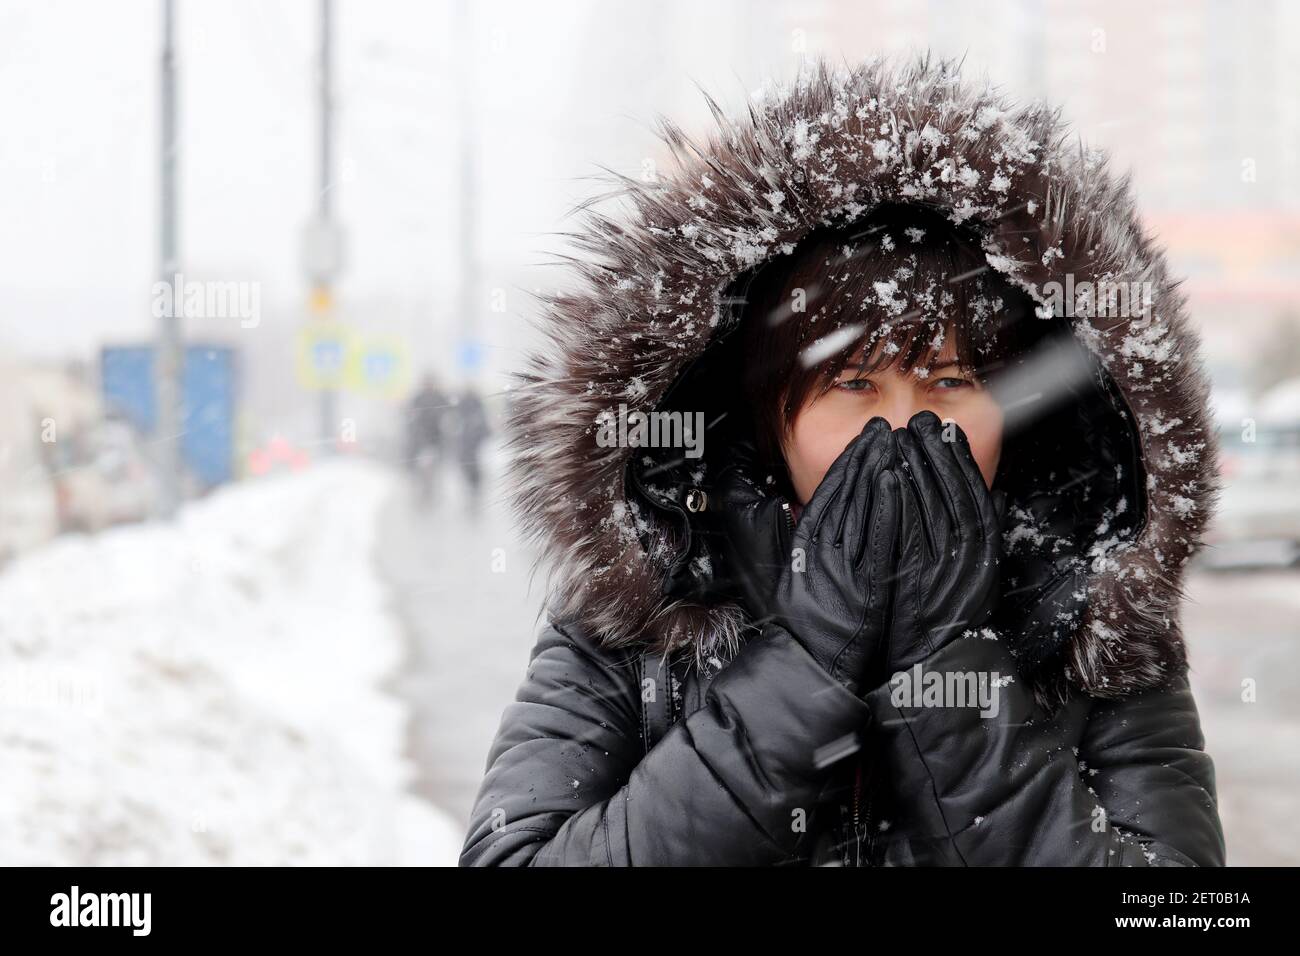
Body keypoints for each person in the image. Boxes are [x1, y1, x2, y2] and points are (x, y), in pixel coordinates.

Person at [460, 55, 1226, 866]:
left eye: (950, 380)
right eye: (855, 384)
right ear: (768, 423)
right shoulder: (647, 609)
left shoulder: (1091, 620)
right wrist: (803, 670)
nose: (905, 427)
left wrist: (947, 677)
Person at [443, 385, 490, 514]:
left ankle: (473, 495)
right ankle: (473, 495)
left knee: (471, 472)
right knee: (471, 472)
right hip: (469, 447)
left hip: (470, 447)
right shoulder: (472, 407)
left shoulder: (466, 407)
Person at [404, 373, 447, 505]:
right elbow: (410, 418)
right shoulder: (419, 398)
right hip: (421, 441)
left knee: (431, 469)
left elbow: (446, 417)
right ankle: (424, 491)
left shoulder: (439, 398)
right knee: (423, 469)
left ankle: (429, 491)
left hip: (434, 441)